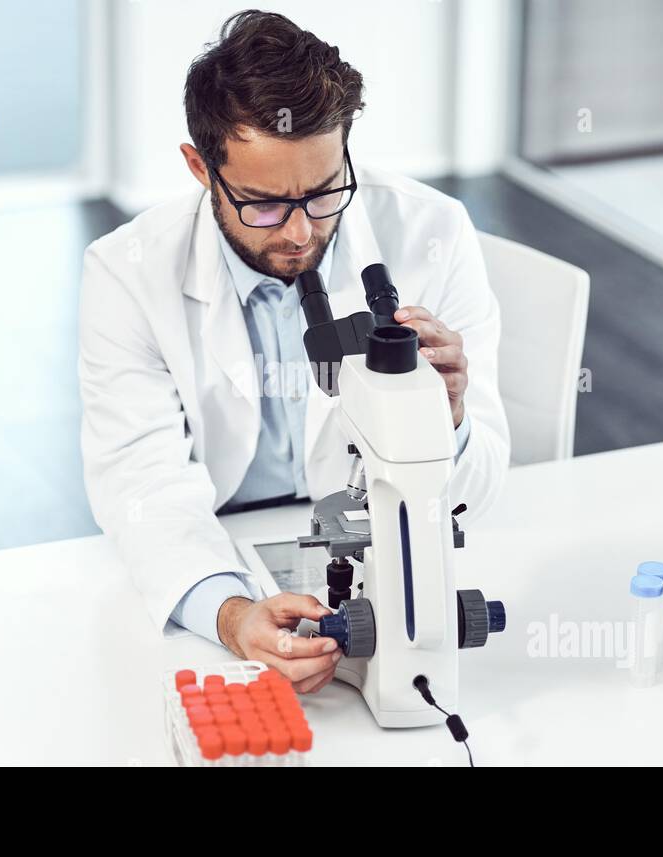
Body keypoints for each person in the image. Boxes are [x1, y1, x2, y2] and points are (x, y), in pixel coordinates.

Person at [79, 10, 509, 694]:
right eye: (266, 205)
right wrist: (230, 613)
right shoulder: (126, 272)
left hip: (385, 548)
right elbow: (141, 487)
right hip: (213, 543)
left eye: (324, 190)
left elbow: (478, 492)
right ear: (200, 167)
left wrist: (448, 420)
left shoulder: (434, 232)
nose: (303, 231)